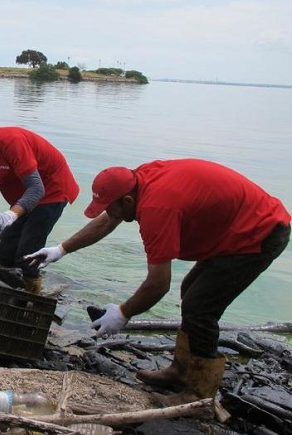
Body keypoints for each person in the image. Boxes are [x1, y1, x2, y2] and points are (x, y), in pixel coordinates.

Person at [26, 159, 290, 405]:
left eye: (110, 206)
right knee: (191, 291)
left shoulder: (157, 208)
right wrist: (61, 249)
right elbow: (108, 221)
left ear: (127, 200)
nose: (108, 212)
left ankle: (199, 396)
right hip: (234, 225)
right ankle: (180, 370)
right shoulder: (137, 181)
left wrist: (122, 313)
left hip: (260, 232)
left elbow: (158, 284)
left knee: (200, 308)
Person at [0, 108, 79, 294]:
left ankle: (31, 294)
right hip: (25, 196)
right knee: (5, 248)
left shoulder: (11, 141)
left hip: (52, 190)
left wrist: (10, 215)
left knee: (27, 253)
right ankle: (12, 290)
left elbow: (37, 189)